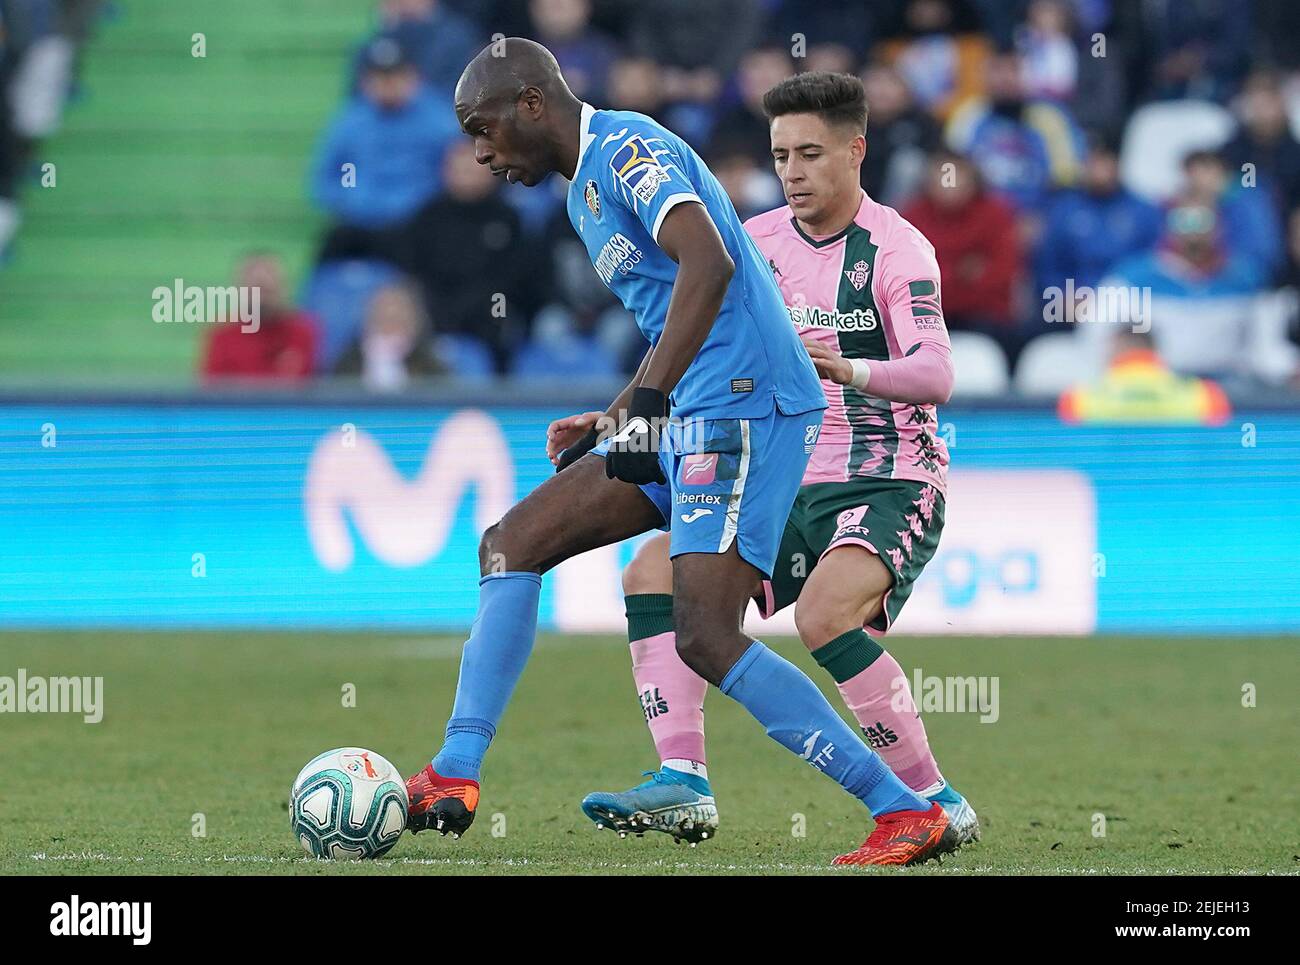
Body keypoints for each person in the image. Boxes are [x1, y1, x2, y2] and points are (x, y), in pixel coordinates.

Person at [405, 39, 962, 867]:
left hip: (745, 407)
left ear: (531, 104)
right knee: (511, 544)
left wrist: (648, 400)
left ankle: (906, 809)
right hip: (693, 408)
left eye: (482, 129)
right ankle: (455, 771)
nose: (481, 154)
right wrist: (620, 412)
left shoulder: (629, 149)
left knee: (706, 632)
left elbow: (710, 261)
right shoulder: (581, 190)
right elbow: (677, 307)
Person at [562, 71, 978, 856]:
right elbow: (693, 339)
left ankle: (934, 799)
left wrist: (847, 367)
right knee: (651, 573)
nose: (792, 171)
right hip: (784, 471)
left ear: (856, 151)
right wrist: (622, 411)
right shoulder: (751, 242)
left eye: (811, 154)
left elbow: (937, 373)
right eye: (782, 155)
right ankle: (683, 779)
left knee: (824, 615)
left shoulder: (898, 249)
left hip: (888, 474)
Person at [200, 252, 318, 383]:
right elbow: (210, 389)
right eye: (255, 291)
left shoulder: (304, 332)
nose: (262, 300)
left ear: (284, 288)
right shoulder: (223, 335)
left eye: (267, 291)